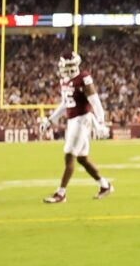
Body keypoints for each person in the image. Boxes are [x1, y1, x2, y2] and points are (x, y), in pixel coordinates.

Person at [40, 52, 114, 203]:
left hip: (82, 120)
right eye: (64, 66)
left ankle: (61, 193)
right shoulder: (64, 81)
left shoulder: (84, 78)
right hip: (73, 120)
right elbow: (65, 104)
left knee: (69, 155)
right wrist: (51, 119)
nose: (66, 70)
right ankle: (105, 185)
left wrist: (101, 122)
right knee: (82, 159)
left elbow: (95, 101)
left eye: (69, 66)